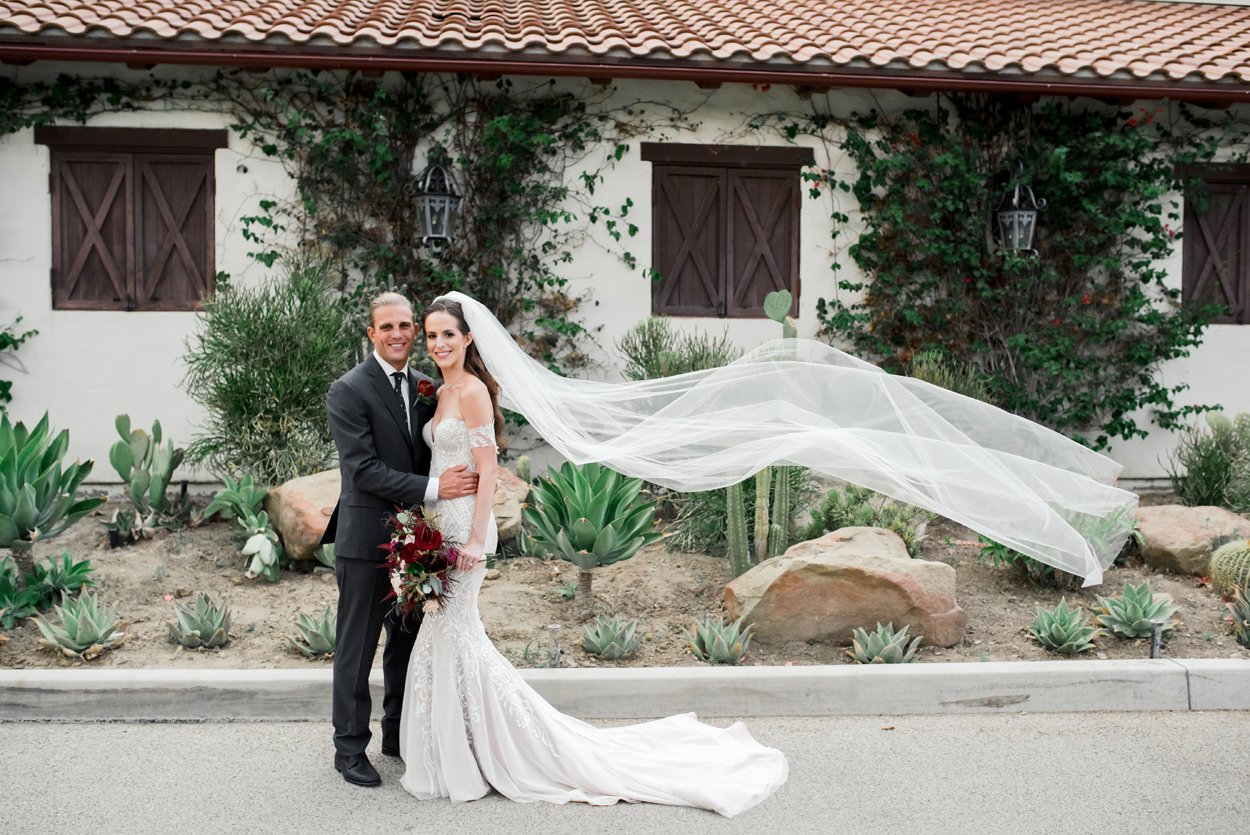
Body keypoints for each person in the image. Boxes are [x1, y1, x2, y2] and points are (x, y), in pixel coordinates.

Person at [397, 297, 789, 818]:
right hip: (440, 524)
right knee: (444, 637)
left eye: (448, 334)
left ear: (469, 339)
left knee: (454, 634)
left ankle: (484, 753)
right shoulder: (441, 391)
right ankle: (457, 751)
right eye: (431, 336)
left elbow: (488, 471)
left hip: (467, 528)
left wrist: (473, 538)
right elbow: (445, 461)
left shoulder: (471, 393)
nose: (439, 344)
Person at [322, 291, 479, 788]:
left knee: (406, 643)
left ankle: (395, 733)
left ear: (414, 331)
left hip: (418, 539)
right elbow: (364, 470)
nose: (398, 334)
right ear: (371, 334)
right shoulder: (348, 390)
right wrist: (438, 488)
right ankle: (349, 749)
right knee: (358, 646)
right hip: (366, 539)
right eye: (386, 326)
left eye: (406, 326)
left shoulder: (425, 385)